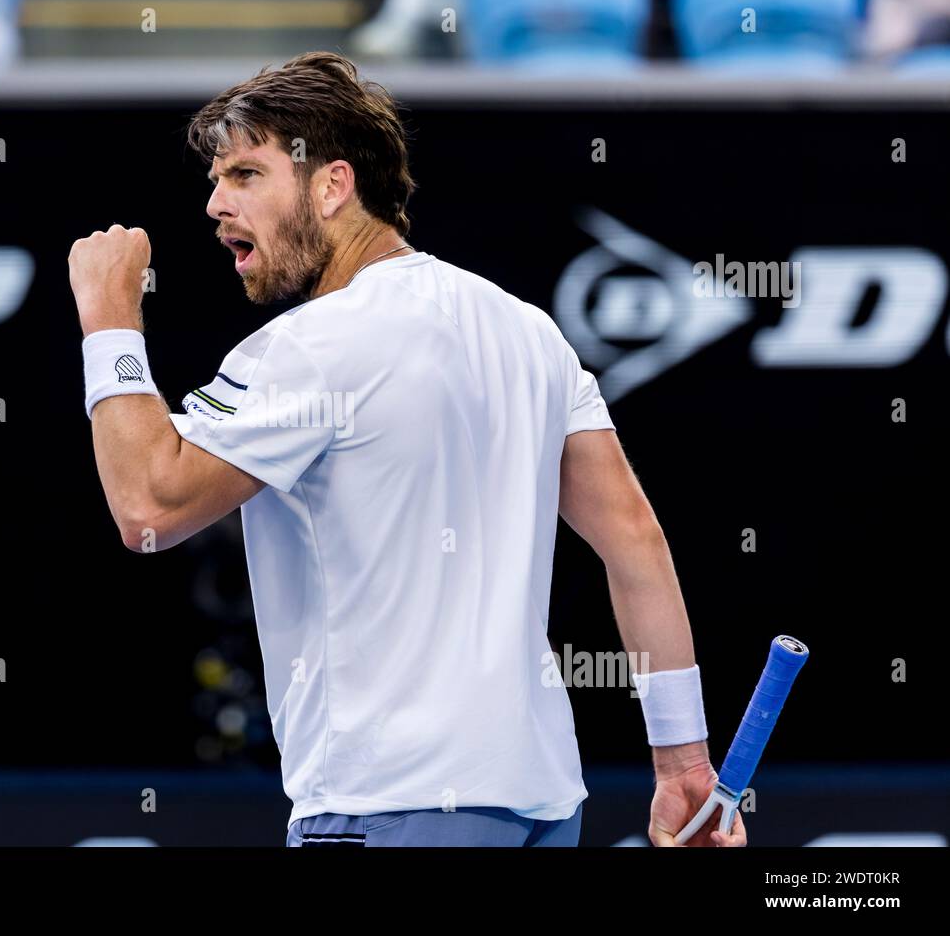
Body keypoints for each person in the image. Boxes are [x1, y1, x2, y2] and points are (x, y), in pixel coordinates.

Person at [67, 51, 745, 848]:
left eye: (246, 175)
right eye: (216, 179)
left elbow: (150, 507)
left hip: (385, 803)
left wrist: (110, 320)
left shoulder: (308, 348)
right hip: (542, 810)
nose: (215, 205)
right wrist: (683, 763)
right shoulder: (527, 330)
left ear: (332, 185)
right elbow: (635, 541)